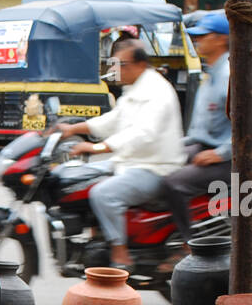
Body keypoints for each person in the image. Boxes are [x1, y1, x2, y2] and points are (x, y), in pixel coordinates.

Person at [53, 38, 185, 270]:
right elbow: (114, 120)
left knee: (103, 194)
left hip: (155, 168)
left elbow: (143, 135)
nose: (115, 70)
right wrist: (74, 129)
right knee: (77, 176)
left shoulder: (157, 92)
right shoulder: (135, 89)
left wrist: (95, 148)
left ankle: (120, 252)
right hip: (129, 162)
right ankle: (96, 236)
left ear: (139, 64)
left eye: (121, 64)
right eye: (114, 63)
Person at [159, 10, 233, 261]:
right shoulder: (210, 73)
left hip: (228, 159)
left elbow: (251, 130)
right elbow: (198, 131)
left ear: (221, 39)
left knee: (174, 182)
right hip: (204, 145)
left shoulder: (227, 76)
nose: (198, 41)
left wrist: (218, 154)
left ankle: (188, 243)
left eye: (204, 36)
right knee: (159, 165)